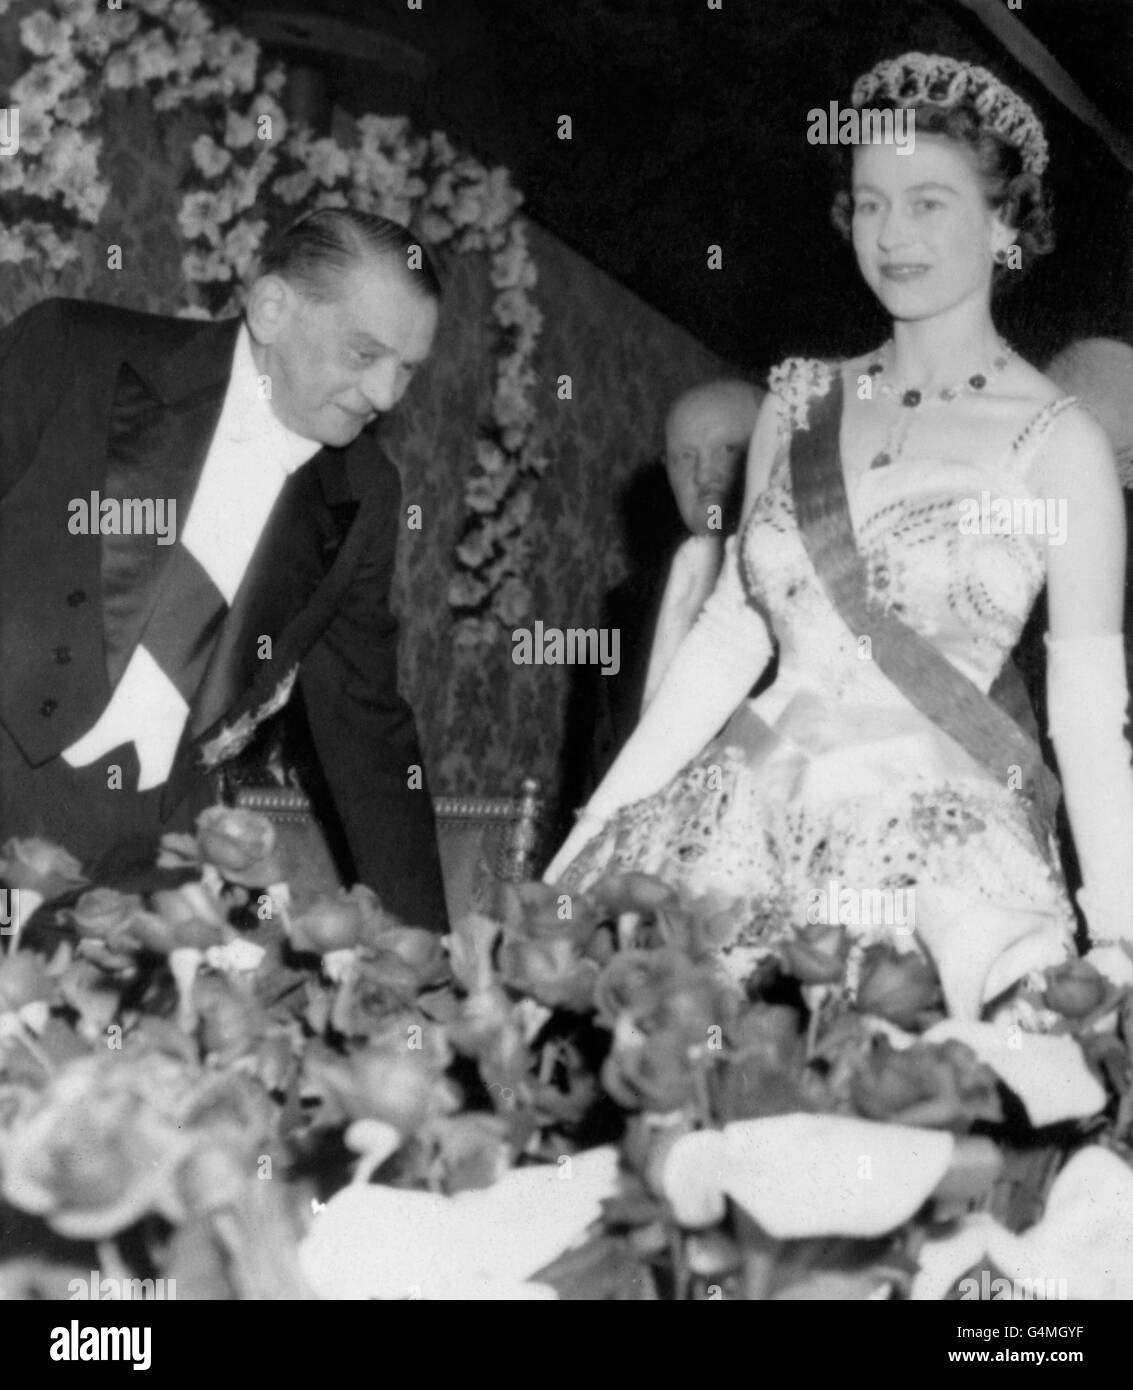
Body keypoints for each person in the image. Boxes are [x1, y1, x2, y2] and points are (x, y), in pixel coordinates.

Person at [545, 52, 1133, 1017]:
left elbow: (1086, 708)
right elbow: (731, 640)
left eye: (928, 202)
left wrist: (1113, 934)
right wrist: (590, 836)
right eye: (869, 203)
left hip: (932, 858)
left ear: (1002, 222)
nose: (891, 234)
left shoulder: (1056, 441)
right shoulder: (800, 401)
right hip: (741, 821)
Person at [0, 208, 449, 931]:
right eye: (364, 355)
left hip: (145, 869)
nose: (386, 397)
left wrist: (419, 950)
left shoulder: (366, 491)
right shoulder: (74, 351)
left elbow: (364, 725)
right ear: (271, 308)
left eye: (407, 369)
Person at [581, 380, 763, 794]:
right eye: (685, 457)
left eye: (729, 450)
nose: (705, 475)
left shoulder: (800, 597)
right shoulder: (626, 604)